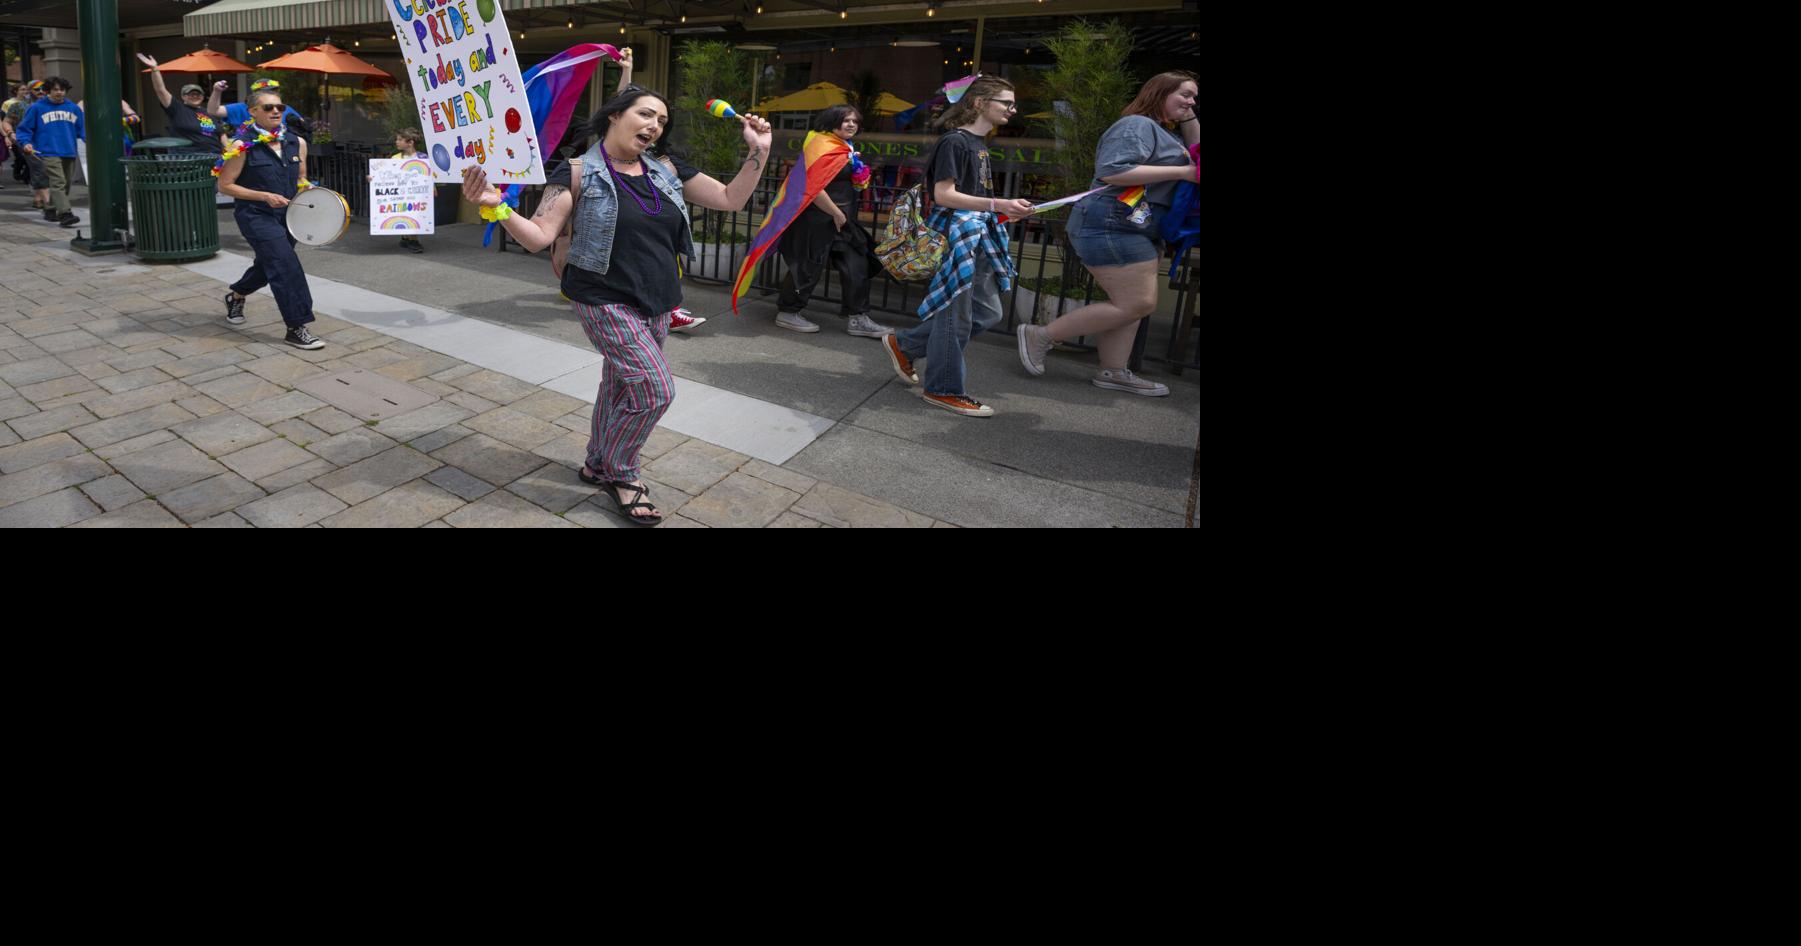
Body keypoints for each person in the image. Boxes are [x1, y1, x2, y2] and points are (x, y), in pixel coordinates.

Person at [462, 88, 772, 525]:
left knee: (621, 385)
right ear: (614, 115)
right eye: (645, 114)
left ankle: (595, 462)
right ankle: (622, 473)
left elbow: (729, 199)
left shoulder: (667, 168)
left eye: (661, 120)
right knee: (654, 390)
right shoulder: (575, 172)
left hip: (658, 299)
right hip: (603, 298)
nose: (654, 126)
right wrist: (497, 209)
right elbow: (538, 236)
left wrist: (759, 151)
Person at [1016, 71, 1198, 397]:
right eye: (1185, 94)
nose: (1192, 101)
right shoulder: (1137, 125)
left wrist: (1189, 117)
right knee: (1138, 302)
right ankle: (1040, 335)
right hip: (1112, 222)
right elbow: (1113, 170)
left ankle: (1113, 370)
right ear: (1159, 92)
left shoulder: (1160, 130)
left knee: (1130, 304)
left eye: (1195, 97)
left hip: (1133, 225)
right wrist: (1185, 171)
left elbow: (1197, 149)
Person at [878, 76, 1032, 418]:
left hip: (976, 236)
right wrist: (999, 205)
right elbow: (944, 195)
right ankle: (943, 389)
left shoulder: (977, 143)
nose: (1012, 109)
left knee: (987, 313)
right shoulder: (955, 142)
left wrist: (1002, 210)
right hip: (957, 239)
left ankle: (906, 344)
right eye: (1006, 102)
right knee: (956, 318)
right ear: (979, 103)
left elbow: (970, 197)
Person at [215, 87, 325, 351]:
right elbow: (225, 185)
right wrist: (263, 196)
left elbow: (300, 178)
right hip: (255, 215)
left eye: (280, 107)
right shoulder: (241, 146)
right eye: (268, 107)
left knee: (268, 264)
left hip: (289, 216)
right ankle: (296, 327)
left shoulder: (296, 142)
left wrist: (309, 189)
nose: (276, 111)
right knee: (285, 264)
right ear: (253, 112)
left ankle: (237, 294)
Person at [772, 104, 886, 338]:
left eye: (855, 121)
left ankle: (858, 317)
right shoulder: (821, 145)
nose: (851, 124)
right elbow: (812, 186)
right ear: (832, 122)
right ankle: (788, 311)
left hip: (842, 219)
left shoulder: (843, 147)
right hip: (817, 219)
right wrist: (835, 212)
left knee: (857, 265)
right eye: (846, 120)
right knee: (808, 266)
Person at [16, 77, 84, 228]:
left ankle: (50, 209)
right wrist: (26, 143)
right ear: (48, 91)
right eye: (55, 90)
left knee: (65, 184)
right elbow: (24, 129)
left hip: (69, 151)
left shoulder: (73, 108)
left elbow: (83, 129)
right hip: (47, 151)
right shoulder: (37, 108)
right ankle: (65, 214)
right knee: (58, 182)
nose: (59, 92)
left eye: (62, 89)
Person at [136, 55, 222, 157]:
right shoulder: (177, 109)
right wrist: (154, 69)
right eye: (191, 94)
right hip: (190, 158)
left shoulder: (209, 112)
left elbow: (221, 134)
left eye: (198, 94)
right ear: (183, 97)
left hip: (215, 156)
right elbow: (160, 90)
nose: (195, 96)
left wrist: (229, 151)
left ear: (203, 97)